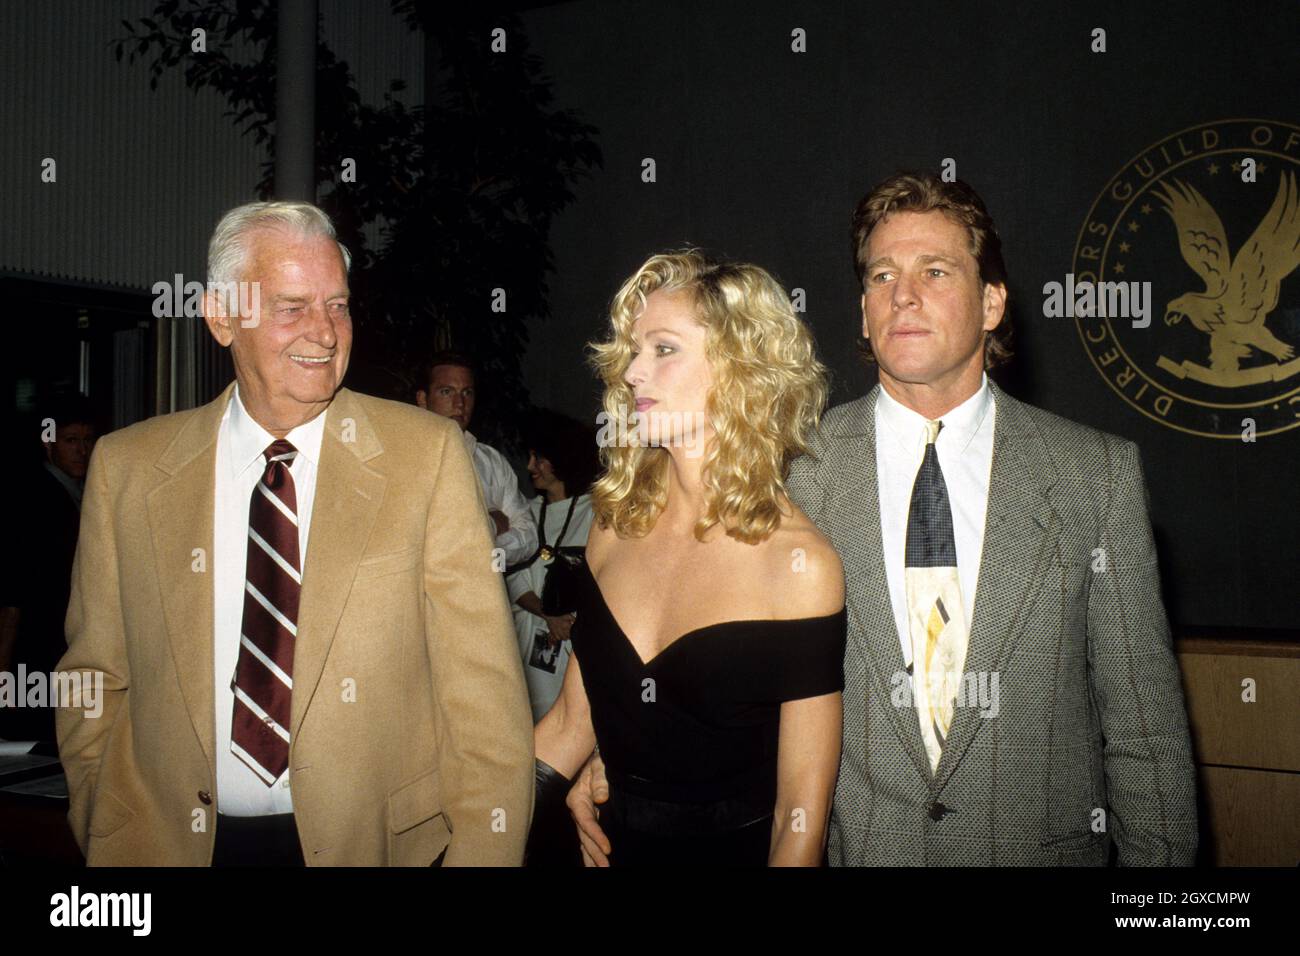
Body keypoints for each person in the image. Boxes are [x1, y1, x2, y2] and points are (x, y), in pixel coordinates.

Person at [569, 173, 1198, 866]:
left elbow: (1145, 735)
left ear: (992, 302)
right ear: (863, 314)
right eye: (881, 275)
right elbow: (688, 641)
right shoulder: (781, 478)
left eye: (935, 271)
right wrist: (611, 751)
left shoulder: (1095, 478)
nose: (903, 294)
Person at [55, 200, 534, 866]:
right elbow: (94, 675)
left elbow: (485, 700)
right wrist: (102, 822)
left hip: (369, 848)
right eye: (291, 307)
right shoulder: (128, 469)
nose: (326, 332)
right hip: (168, 847)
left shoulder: (424, 457)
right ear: (221, 317)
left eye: (337, 306)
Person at [532, 251, 847, 867]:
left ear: (739, 370)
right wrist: (463, 824)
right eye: (632, 350)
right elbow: (570, 725)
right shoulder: (613, 525)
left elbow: (798, 823)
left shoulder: (799, 566)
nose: (631, 372)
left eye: (663, 349)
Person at [0, 398, 94, 743]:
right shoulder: (33, 499)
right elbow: (13, 595)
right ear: (49, 443)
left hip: (66, 648)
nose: (82, 450)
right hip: (36, 650)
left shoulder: (83, 492)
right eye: (71, 441)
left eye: (87, 440)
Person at [506, 410, 600, 722]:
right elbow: (512, 577)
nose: (531, 467)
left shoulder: (596, 512)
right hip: (526, 645)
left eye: (539, 457)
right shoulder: (524, 513)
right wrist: (547, 614)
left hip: (574, 646)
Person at [417, 351, 538, 569]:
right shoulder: (405, 458)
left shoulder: (491, 461)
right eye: (446, 392)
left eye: (467, 393)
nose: (459, 403)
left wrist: (484, 555)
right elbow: (425, 539)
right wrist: (492, 523)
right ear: (423, 400)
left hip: (486, 594)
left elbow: (529, 535)